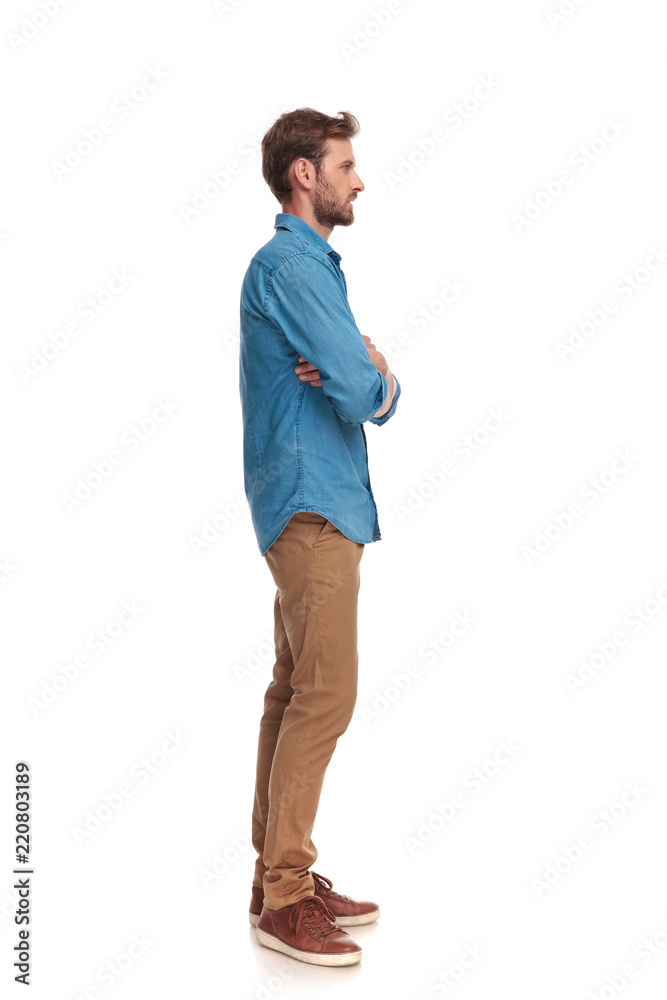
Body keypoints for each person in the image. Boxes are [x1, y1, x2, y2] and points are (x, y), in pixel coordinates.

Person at [238, 107, 401, 967]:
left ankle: (276, 876)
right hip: (312, 504)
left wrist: (364, 372)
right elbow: (353, 382)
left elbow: (350, 377)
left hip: (306, 499)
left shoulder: (303, 267)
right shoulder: (292, 265)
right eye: (344, 164)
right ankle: (285, 896)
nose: (357, 178)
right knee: (325, 695)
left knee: (292, 687)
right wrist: (373, 372)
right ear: (305, 174)